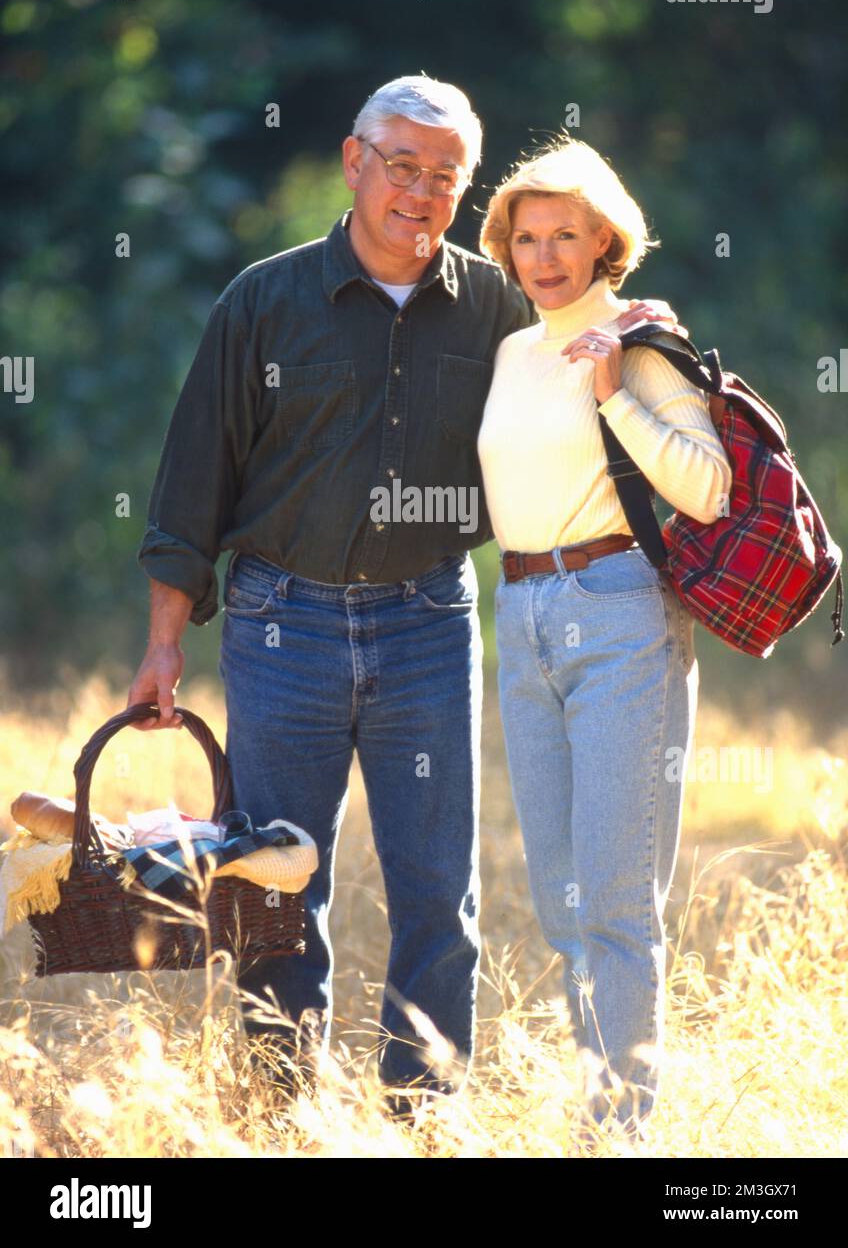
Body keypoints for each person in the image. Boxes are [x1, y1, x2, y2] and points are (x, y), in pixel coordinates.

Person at [127, 78, 679, 1109]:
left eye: (444, 177)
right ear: (354, 162)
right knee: (277, 884)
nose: (420, 193)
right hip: (278, 627)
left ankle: (421, 1118)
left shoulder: (498, 306)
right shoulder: (262, 301)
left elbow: (585, 322)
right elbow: (191, 483)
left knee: (438, 897)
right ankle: (279, 1115)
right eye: (402, 166)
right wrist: (163, 643)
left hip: (426, 622)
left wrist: (641, 325)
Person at [477, 137, 732, 1136]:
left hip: (619, 610)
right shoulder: (510, 352)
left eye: (564, 236)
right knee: (562, 900)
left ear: (602, 242)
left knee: (616, 903)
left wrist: (613, 391)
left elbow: (706, 489)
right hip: (520, 614)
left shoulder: (640, 338)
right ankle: (602, 1118)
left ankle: (620, 1134)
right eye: (526, 237)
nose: (543, 256)